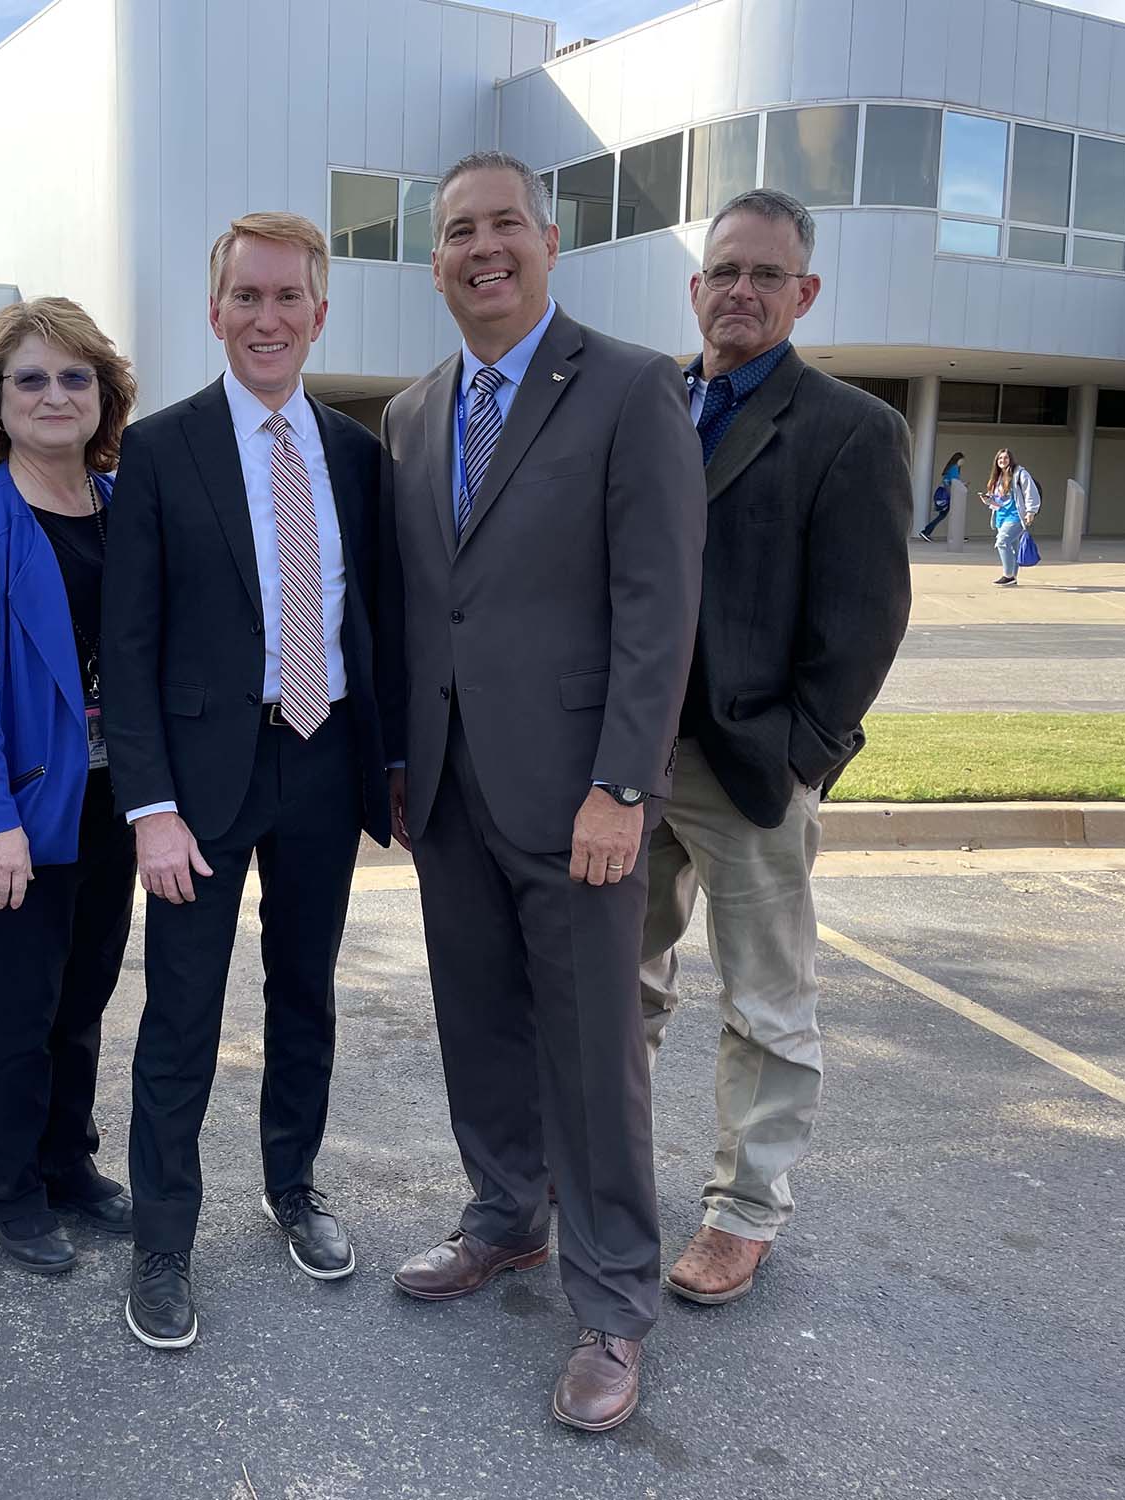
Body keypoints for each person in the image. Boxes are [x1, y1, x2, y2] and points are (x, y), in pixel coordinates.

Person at [378, 152, 703, 1434]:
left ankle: (615, 1302)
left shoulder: (626, 389)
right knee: (478, 1027)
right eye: (457, 232)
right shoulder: (409, 416)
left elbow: (655, 605)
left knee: (590, 1055)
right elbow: (418, 610)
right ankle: (503, 1217)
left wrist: (622, 784)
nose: (481, 248)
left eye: (502, 223)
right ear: (438, 260)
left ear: (548, 240)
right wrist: (402, 769)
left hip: (582, 800)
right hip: (451, 794)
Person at [101, 211, 394, 1350]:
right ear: (213, 311)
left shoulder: (359, 457)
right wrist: (151, 807)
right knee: (180, 1013)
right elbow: (127, 646)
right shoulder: (162, 450)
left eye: (287, 299)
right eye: (246, 298)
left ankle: (293, 1187)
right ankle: (163, 1238)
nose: (266, 318)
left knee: (304, 993)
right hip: (200, 779)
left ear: (318, 314)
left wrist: (393, 770)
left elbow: (378, 627)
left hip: (320, 760)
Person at [640, 189, 912, 1315]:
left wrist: (804, 757)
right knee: (615, 984)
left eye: (764, 275)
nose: (738, 291)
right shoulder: (643, 399)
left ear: (802, 295)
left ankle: (741, 1212)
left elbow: (863, 621)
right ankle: (591, 1169)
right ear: (694, 286)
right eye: (721, 271)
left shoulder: (851, 428)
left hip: (751, 767)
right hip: (626, 761)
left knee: (763, 1002)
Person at [0, 298, 141, 1274]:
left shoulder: (124, 509)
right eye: (30, 379)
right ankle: (7, 1191)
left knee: (82, 996)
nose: (54, 395)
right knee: (17, 1007)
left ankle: (67, 1163)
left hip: (112, 802)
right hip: (19, 809)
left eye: (73, 377)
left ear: (102, 396)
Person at [981, 448, 1039, 586]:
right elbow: (1000, 500)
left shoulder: (1020, 474)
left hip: (1016, 516)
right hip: (1001, 516)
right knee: (1013, 547)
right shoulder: (998, 477)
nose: (1002, 461)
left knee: (1001, 542)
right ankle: (1013, 577)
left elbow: (1030, 491)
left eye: (1005, 458)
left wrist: (1031, 511)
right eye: (1000, 458)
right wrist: (988, 500)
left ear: (1011, 459)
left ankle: (1008, 576)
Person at [918, 451, 962, 540]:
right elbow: (951, 482)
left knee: (944, 515)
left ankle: (927, 531)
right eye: (962, 460)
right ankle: (956, 536)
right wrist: (952, 493)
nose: (962, 462)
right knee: (951, 514)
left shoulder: (951, 468)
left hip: (948, 493)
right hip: (949, 494)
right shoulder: (954, 468)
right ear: (958, 460)